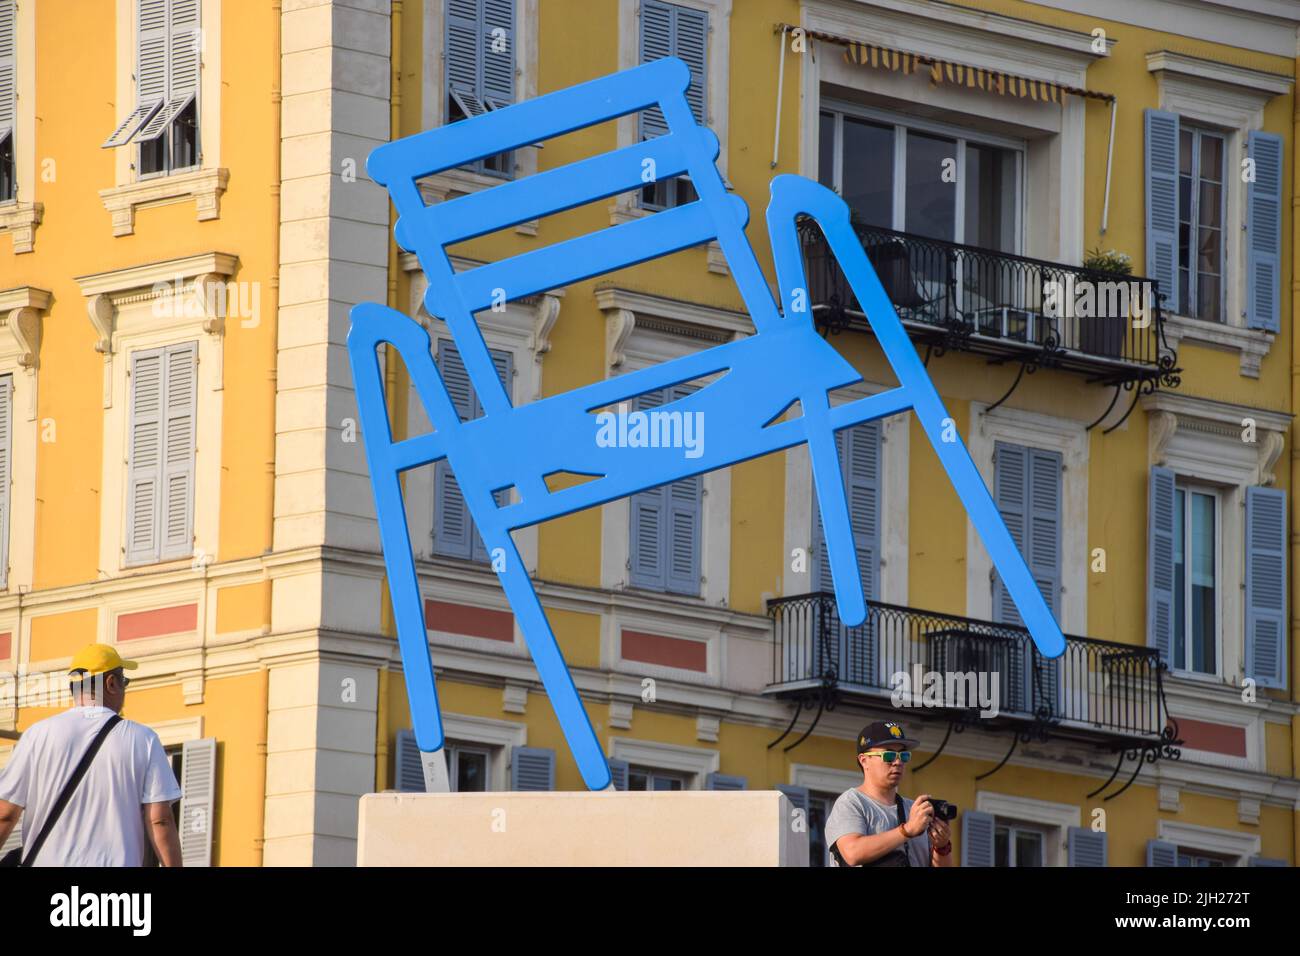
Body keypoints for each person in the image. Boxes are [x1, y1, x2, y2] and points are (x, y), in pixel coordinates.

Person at [0, 644, 184, 866]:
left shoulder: (37, 735)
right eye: (124, 682)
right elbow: (160, 820)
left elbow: (6, 815)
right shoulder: (142, 738)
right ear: (112, 684)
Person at [823, 720, 954, 867]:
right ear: (864, 760)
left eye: (903, 756)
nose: (898, 762)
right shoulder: (851, 803)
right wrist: (907, 830)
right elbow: (852, 853)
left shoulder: (915, 810)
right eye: (889, 755)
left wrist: (942, 847)